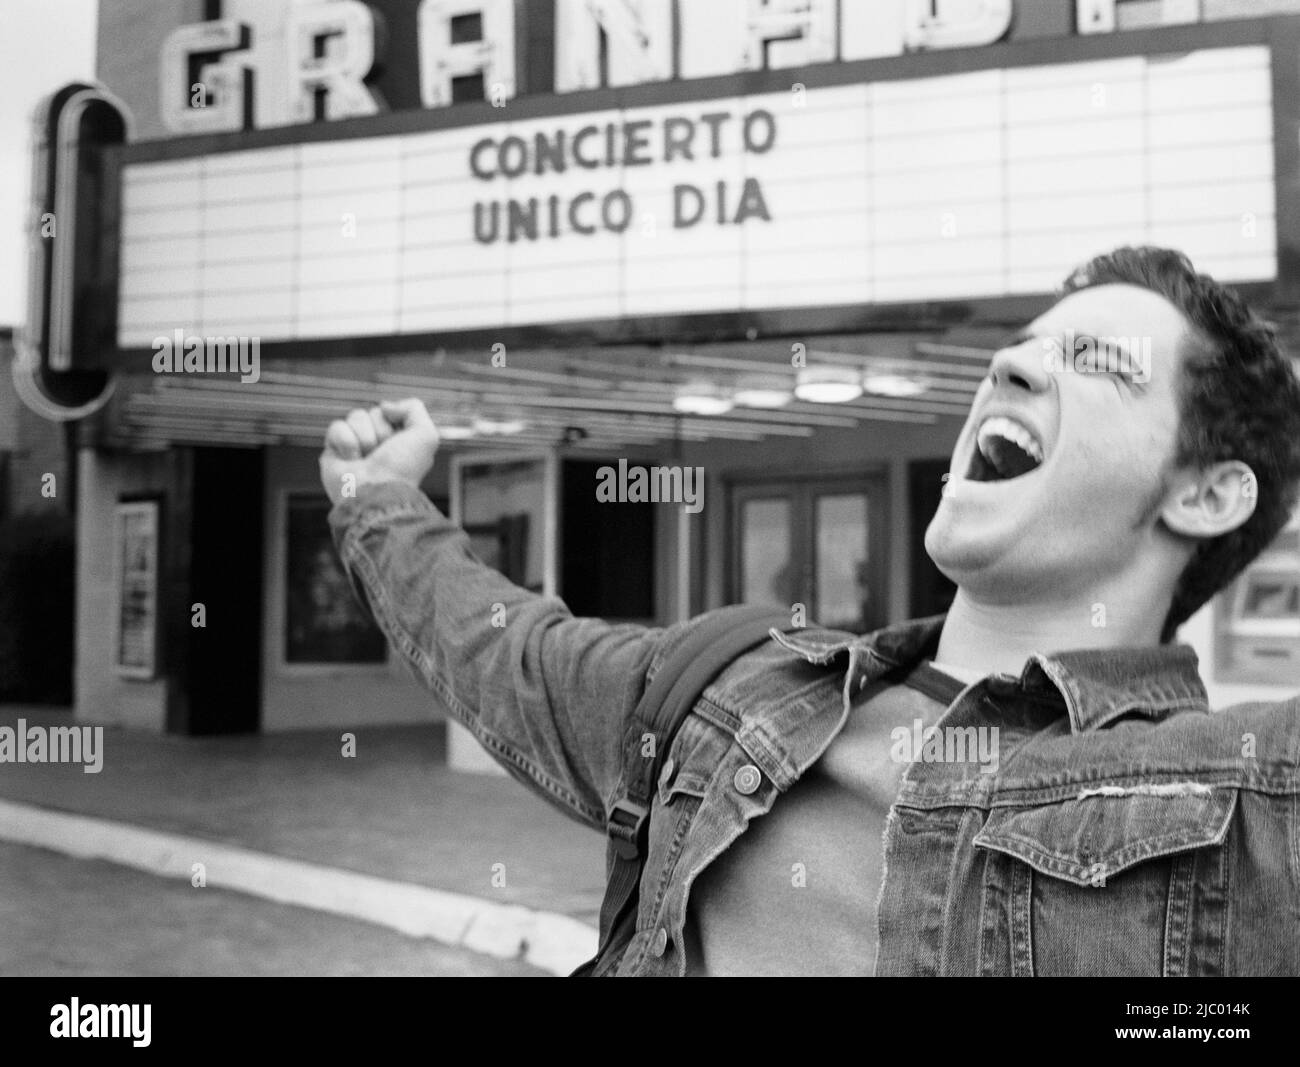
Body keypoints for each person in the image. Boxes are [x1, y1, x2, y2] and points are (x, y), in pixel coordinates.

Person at [319, 246, 1300, 976]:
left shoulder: (1253, 811)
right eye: (1018, 348)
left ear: (1207, 494)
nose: (1008, 369)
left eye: (1096, 361)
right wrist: (377, 497)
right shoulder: (722, 688)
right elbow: (507, 648)